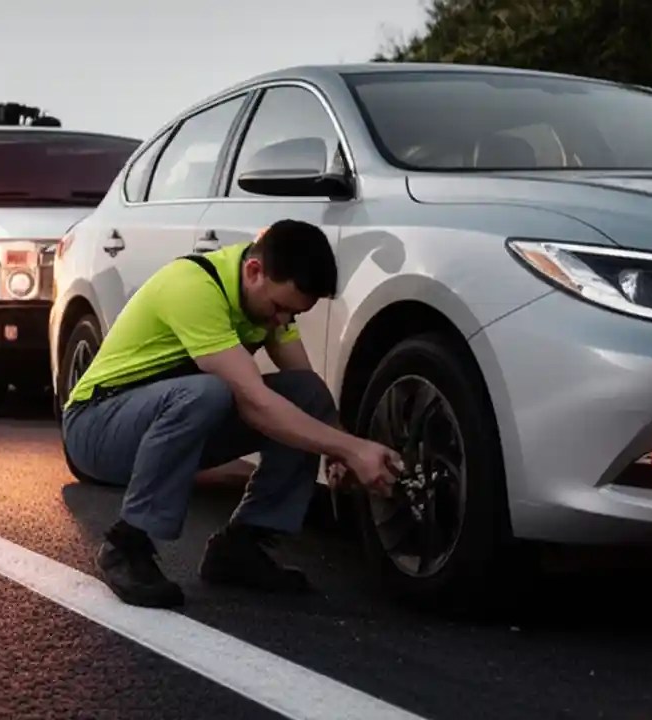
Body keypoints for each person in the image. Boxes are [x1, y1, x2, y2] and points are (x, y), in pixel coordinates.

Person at [60, 219, 405, 608]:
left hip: (162, 421)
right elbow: (258, 405)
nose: (281, 322)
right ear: (254, 271)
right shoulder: (192, 287)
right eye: (278, 309)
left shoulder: (267, 304)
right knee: (210, 391)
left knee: (306, 394)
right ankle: (127, 544)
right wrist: (356, 449)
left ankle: (241, 546)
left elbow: (307, 390)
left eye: (292, 316)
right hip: (95, 427)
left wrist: (340, 449)